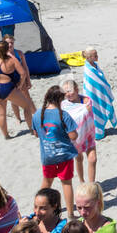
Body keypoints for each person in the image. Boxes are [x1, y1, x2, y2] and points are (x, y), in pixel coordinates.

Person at [33, 86, 79, 218]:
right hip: (64, 155)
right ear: (61, 99)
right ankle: (70, 213)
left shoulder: (37, 115)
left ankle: (38, 209)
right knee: (66, 183)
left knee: (47, 182)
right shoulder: (63, 115)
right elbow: (73, 136)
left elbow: (36, 133)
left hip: (48, 155)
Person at [60, 79, 97, 184]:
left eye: (70, 91)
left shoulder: (86, 101)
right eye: (65, 92)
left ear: (76, 90)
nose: (68, 94)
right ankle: (81, 181)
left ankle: (91, 184)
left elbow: (89, 116)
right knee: (79, 159)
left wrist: (85, 109)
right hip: (74, 137)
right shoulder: (64, 105)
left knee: (93, 159)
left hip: (88, 134)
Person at [82, 47, 117, 141]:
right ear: (89, 57)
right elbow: (91, 85)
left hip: (100, 94)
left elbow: (101, 80)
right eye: (95, 55)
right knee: (95, 111)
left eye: (97, 54)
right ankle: (97, 133)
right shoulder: (88, 70)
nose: (97, 56)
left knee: (100, 110)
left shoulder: (95, 65)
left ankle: (99, 131)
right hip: (93, 95)